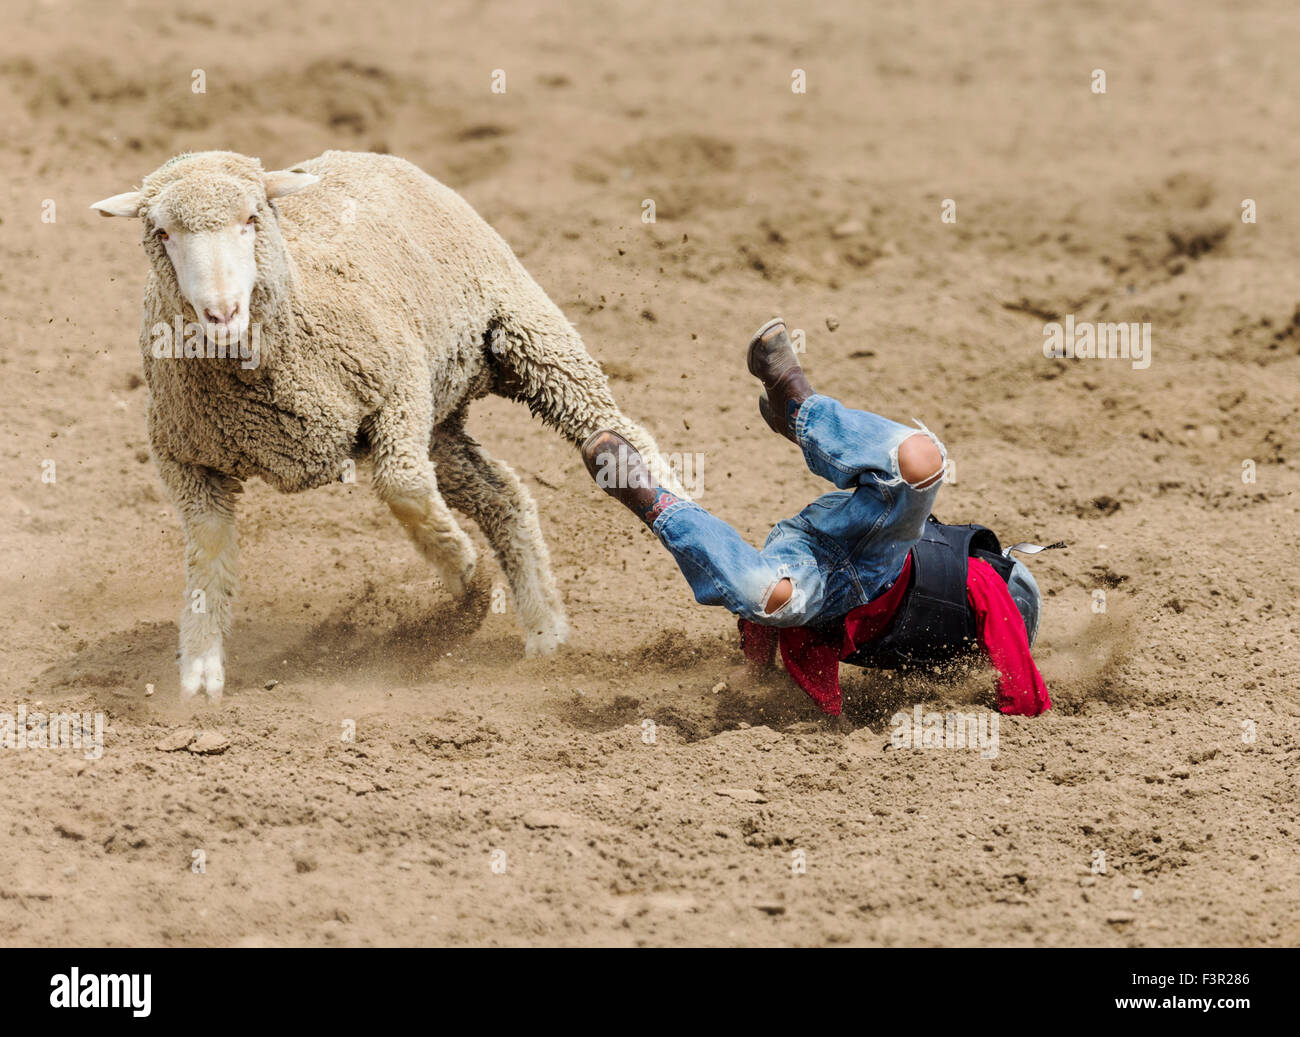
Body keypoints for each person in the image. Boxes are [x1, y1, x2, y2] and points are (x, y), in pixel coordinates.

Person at [581, 318, 1052, 718]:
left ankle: (654, 501)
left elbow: (796, 636)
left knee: (769, 597)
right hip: (879, 545)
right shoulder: (984, 585)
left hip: (821, 580)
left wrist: (757, 668)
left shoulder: (928, 650)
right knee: (921, 463)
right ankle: (801, 407)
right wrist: (1016, 701)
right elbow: (1025, 699)